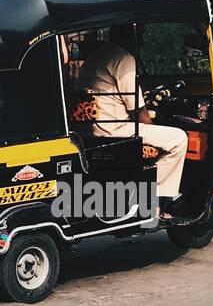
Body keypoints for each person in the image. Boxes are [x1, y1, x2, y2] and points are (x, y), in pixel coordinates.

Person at [69, 31, 188, 216]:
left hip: (89, 131)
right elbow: (137, 110)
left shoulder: (97, 56)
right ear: (132, 37)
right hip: (115, 130)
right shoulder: (123, 58)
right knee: (178, 138)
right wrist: (153, 127)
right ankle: (156, 200)